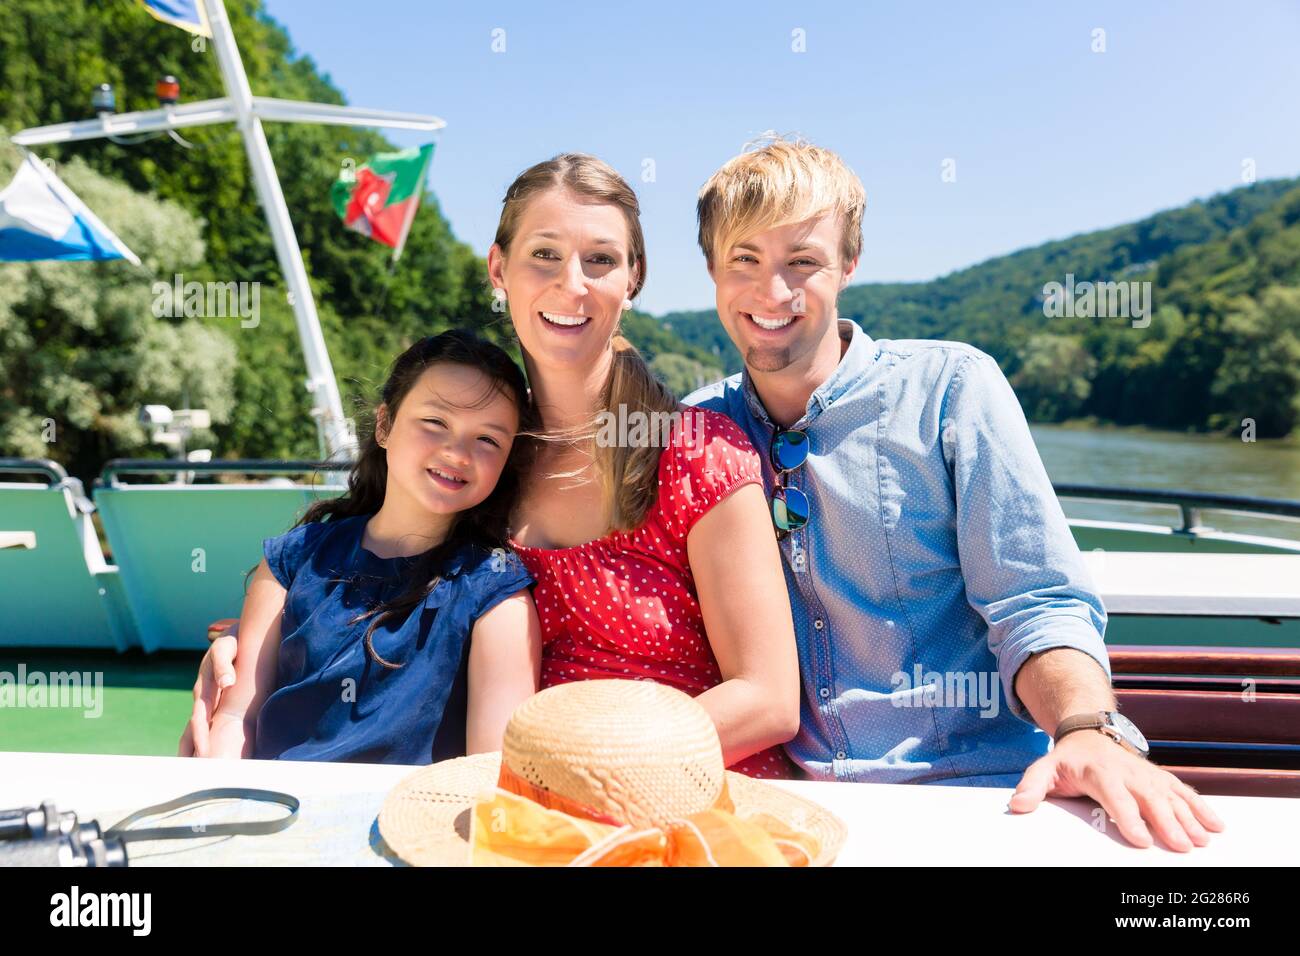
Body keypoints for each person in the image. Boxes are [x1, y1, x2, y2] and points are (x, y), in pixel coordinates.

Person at [684, 135, 1225, 850]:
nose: (771, 292)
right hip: (790, 813)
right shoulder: (696, 432)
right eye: (743, 261)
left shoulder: (951, 388)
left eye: (802, 263)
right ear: (713, 272)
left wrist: (1086, 728)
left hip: (982, 802)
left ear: (848, 265)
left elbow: (1035, 603)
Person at [186, 155, 802, 778]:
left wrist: (593, 770)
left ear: (633, 278)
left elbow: (768, 700)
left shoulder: (696, 454)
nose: (573, 283)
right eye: (544, 254)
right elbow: (375, 571)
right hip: (524, 803)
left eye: (602, 259)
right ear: (499, 269)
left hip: (697, 792)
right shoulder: (482, 456)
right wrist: (245, 649)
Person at [184, 330, 541, 763]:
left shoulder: (496, 595)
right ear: (385, 425)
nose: (458, 452)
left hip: (410, 824)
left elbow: (491, 769)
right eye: (435, 422)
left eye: (488, 439)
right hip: (278, 812)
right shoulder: (294, 560)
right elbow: (237, 717)